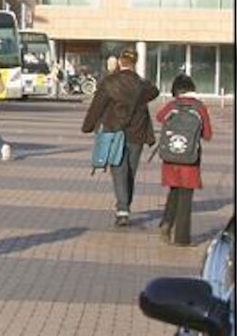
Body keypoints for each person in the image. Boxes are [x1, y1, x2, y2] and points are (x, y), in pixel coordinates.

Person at [80, 48, 159, 227]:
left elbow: (97, 106)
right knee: (130, 171)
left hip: (114, 131)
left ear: (121, 62)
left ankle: (122, 209)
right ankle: (125, 206)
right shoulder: (143, 85)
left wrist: (88, 126)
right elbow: (155, 91)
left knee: (118, 170)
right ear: (135, 63)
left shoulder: (109, 82)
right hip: (137, 133)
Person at [154, 74, 213, 246]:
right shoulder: (200, 107)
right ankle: (181, 238)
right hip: (190, 159)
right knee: (186, 197)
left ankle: (166, 223)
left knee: (174, 191)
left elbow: (159, 117)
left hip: (171, 157)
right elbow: (208, 135)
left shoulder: (173, 105)